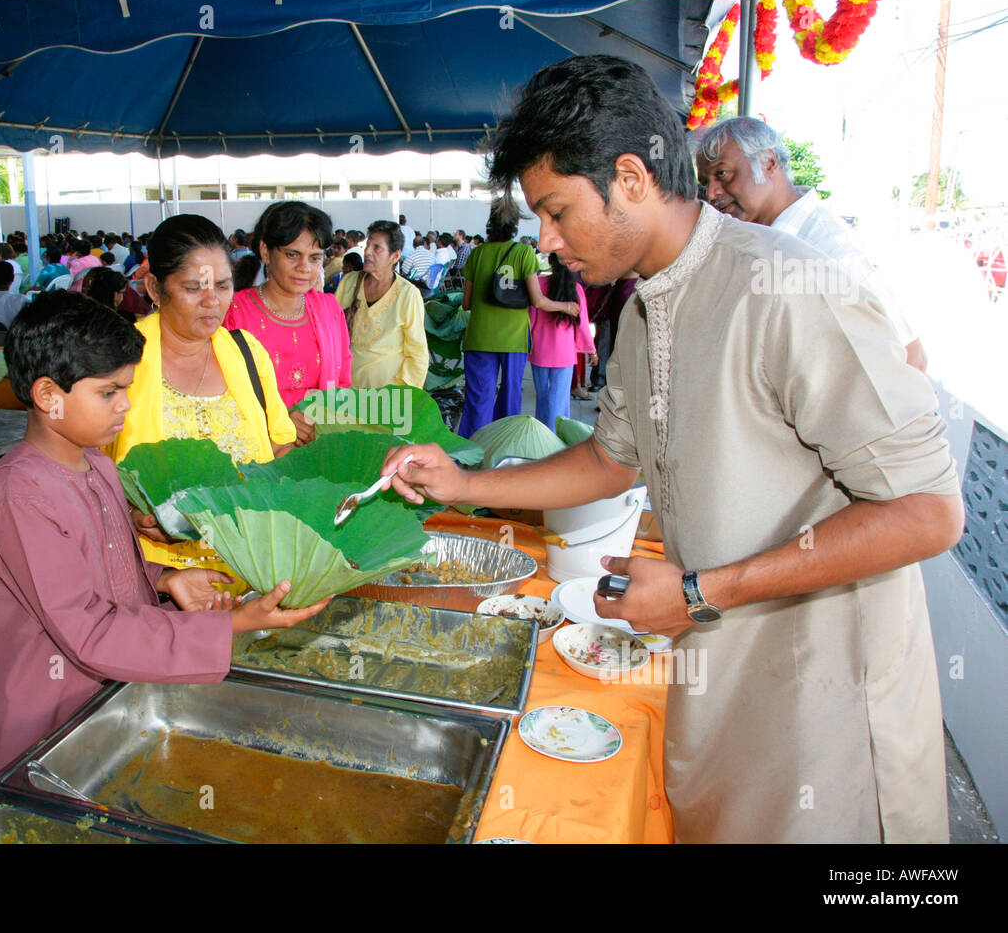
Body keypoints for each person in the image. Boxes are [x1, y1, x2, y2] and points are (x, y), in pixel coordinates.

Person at [380, 55, 964, 844]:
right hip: (722, 673)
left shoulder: (788, 288)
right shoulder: (649, 302)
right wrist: (463, 481)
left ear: (629, 176)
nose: (546, 243)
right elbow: (609, 461)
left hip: (827, 693)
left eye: (556, 212)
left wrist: (696, 591)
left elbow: (928, 513)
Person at [0, 292, 329, 781]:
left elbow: (98, 563)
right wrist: (228, 627)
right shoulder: (19, 499)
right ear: (47, 396)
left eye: (128, 388)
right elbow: (89, 628)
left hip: (106, 688)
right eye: (109, 392)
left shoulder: (99, 465)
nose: (125, 406)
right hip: (38, 711)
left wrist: (166, 578)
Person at [107, 214, 297, 565]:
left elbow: (280, 447)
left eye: (223, 286)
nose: (212, 301)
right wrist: (132, 513)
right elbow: (84, 471)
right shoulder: (116, 363)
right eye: (194, 288)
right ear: (154, 289)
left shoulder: (248, 353)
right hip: (157, 578)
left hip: (251, 568)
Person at [693, 116, 927, 371]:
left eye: (722, 174)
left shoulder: (829, 249)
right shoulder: (754, 243)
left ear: (768, 162)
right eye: (706, 182)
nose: (713, 193)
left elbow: (909, 357)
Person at [223, 201, 352, 439]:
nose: (304, 267)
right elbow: (221, 397)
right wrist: (280, 421)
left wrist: (324, 419)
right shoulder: (232, 314)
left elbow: (342, 382)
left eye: (314, 258)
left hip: (318, 446)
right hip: (258, 454)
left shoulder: (328, 309)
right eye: (293, 255)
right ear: (265, 251)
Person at [457, 205, 576, 438]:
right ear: (515, 227)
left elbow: (466, 303)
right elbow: (538, 301)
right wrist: (566, 306)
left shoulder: (478, 253)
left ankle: (471, 454)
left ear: (489, 226)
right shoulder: (523, 253)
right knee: (510, 398)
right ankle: (504, 449)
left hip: (480, 336)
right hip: (513, 339)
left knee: (478, 399)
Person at [334, 219, 428, 391]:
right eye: (367, 246)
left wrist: (403, 396)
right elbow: (332, 332)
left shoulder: (407, 294)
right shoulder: (349, 283)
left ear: (395, 256)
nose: (368, 252)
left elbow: (418, 354)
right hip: (347, 392)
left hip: (387, 398)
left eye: (377, 248)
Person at [529, 254, 594, 429]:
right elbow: (583, 325)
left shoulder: (540, 285)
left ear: (550, 262)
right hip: (564, 353)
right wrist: (591, 350)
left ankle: (543, 435)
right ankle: (556, 439)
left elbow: (531, 318)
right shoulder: (576, 289)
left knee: (542, 398)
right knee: (559, 399)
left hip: (540, 351)